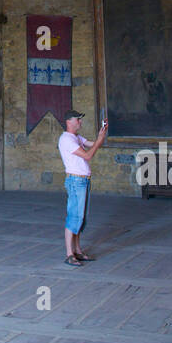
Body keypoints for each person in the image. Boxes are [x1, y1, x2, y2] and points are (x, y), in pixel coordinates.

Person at [57, 109, 107, 266]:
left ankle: (77, 250)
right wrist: (98, 141)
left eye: (80, 119)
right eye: (77, 119)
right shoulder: (66, 139)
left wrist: (102, 135)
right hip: (75, 181)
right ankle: (69, 254)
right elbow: (88, 155)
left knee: (81, 218)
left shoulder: (76, 137)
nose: (80, 122)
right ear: (68, 122)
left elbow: (92, 144)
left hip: (83, 180)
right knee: (74, 216)